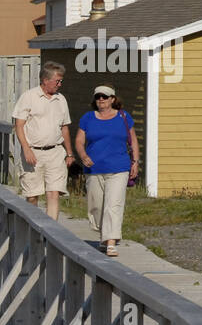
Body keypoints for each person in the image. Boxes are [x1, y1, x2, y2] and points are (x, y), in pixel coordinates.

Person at [75, 85, 139, 256]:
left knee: (113, 204)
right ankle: (104, 236)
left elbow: (133, 140)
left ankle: (111, 242)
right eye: (98, 97)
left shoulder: (123, 117)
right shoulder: (88, 118)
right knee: (96, 207)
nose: (101, 99)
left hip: (119, 167)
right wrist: (82, 155)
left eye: (104, 96)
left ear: (112, 99)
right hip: (94, 168)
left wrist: (135, 162)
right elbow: (79, 141)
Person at [12, 61, 75, 220]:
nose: (59, 84)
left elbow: (65, 128)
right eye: (57, 81)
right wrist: (26, 149)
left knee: (54, 193)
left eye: (61, 81)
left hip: (55, 152)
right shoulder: (29, 97)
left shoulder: (61, 100)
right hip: (33, 152)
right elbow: (19, 125)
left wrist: (69, 153)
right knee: (32, 195)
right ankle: (32, 229)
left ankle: (50, 234)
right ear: (45, 80)